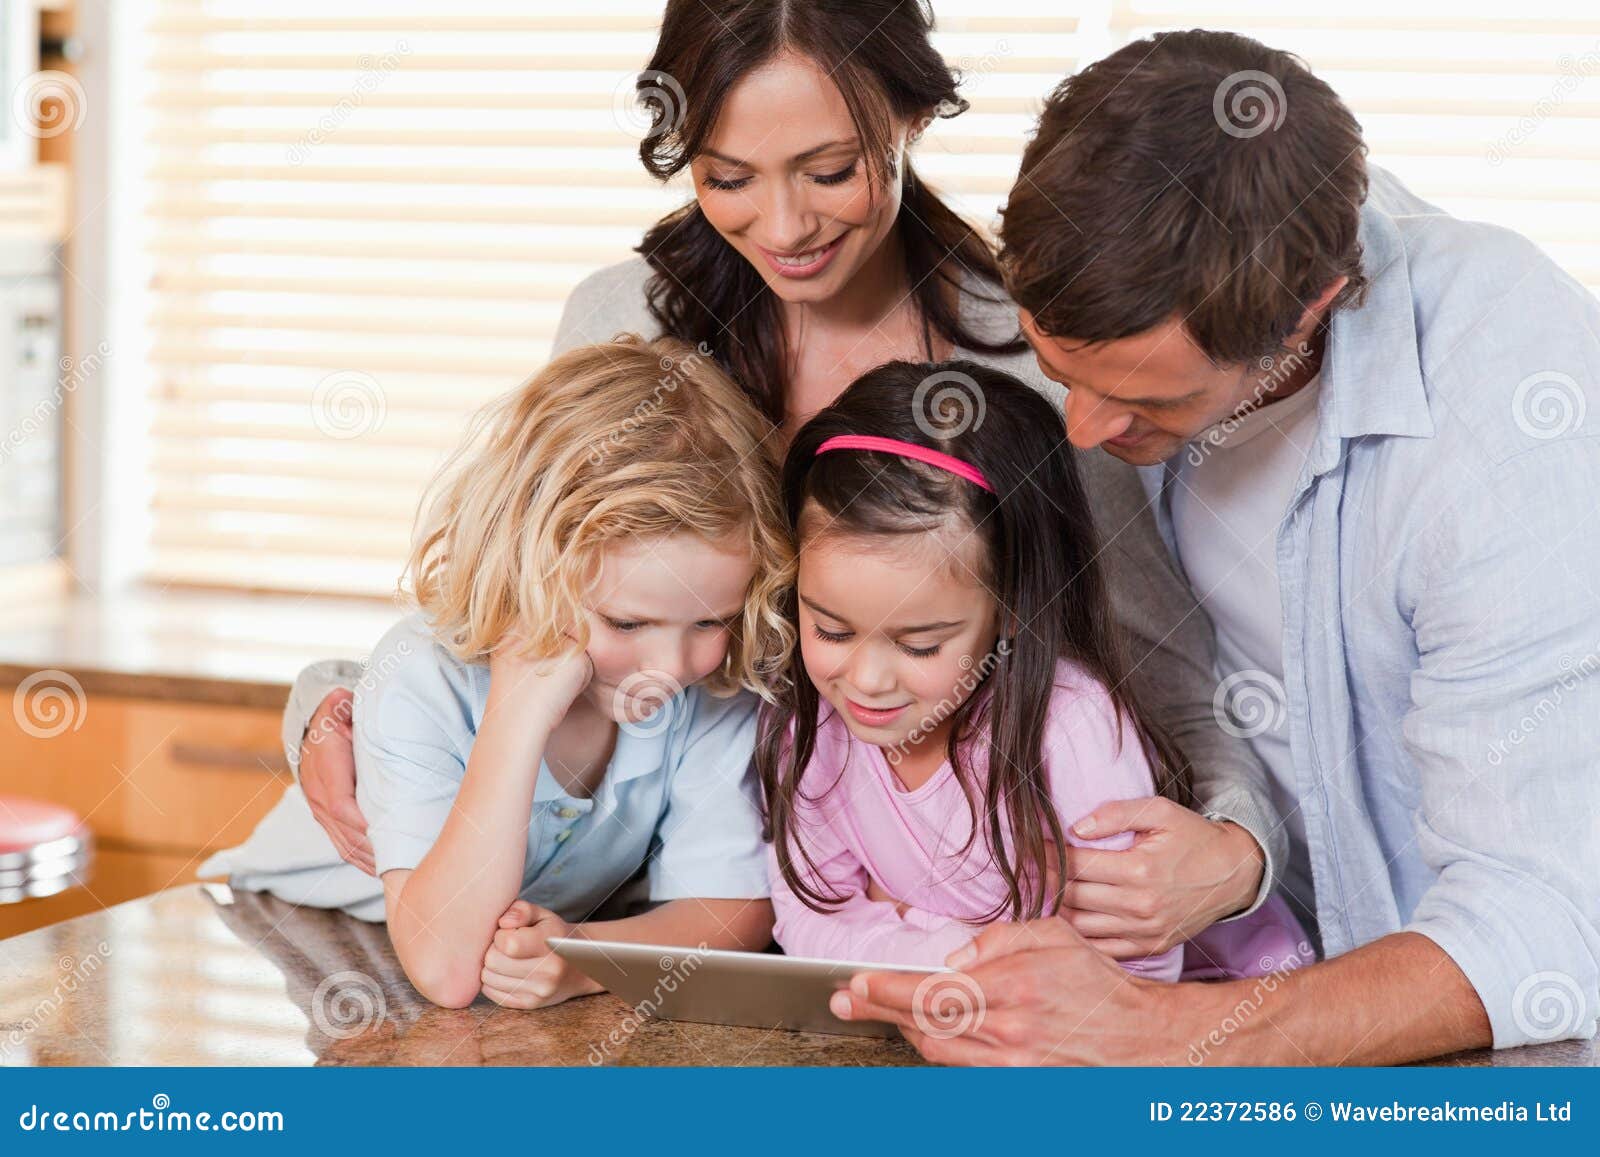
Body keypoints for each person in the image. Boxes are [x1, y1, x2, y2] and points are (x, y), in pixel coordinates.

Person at [281, 0, 1290, 969]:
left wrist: (1236, 852)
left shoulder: (1027, 356)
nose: (783, 224)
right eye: (728, 177)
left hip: (841, 919)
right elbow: (509, 599)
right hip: (607, 917)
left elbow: (1162, 669)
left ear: (913, 113)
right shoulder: (626, 319)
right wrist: (327, 706)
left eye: (829, 169)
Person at [834, 29, 1600, 1064]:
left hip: (1469, 1039)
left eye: (1146, 400)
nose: (1080, 430)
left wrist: (1158, 1032)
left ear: (1309, 310)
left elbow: (1545, 920)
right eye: (1062, 369)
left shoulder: (1511, 416)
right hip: (1245, 958)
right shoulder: (1113, 286)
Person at [202, 337, 791, 1009]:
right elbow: (449, 969)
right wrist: (519, 710)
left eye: (710, 621)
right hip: (296, 931)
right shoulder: (425, 678)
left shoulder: (711, 686)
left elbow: (732, 912)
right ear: (529, 573)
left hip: (481, 934)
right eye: (627, 624)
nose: (670, 666)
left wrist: (589, 958)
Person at [760, 361, 1309, 979]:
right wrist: (956, 948)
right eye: (831, 629)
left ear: (1014, 610)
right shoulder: (810, 727)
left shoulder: (1077, 730)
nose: (865, 680)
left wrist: (903, 922)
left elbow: (1134, 972)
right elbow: (806, 920)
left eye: (918, 645)